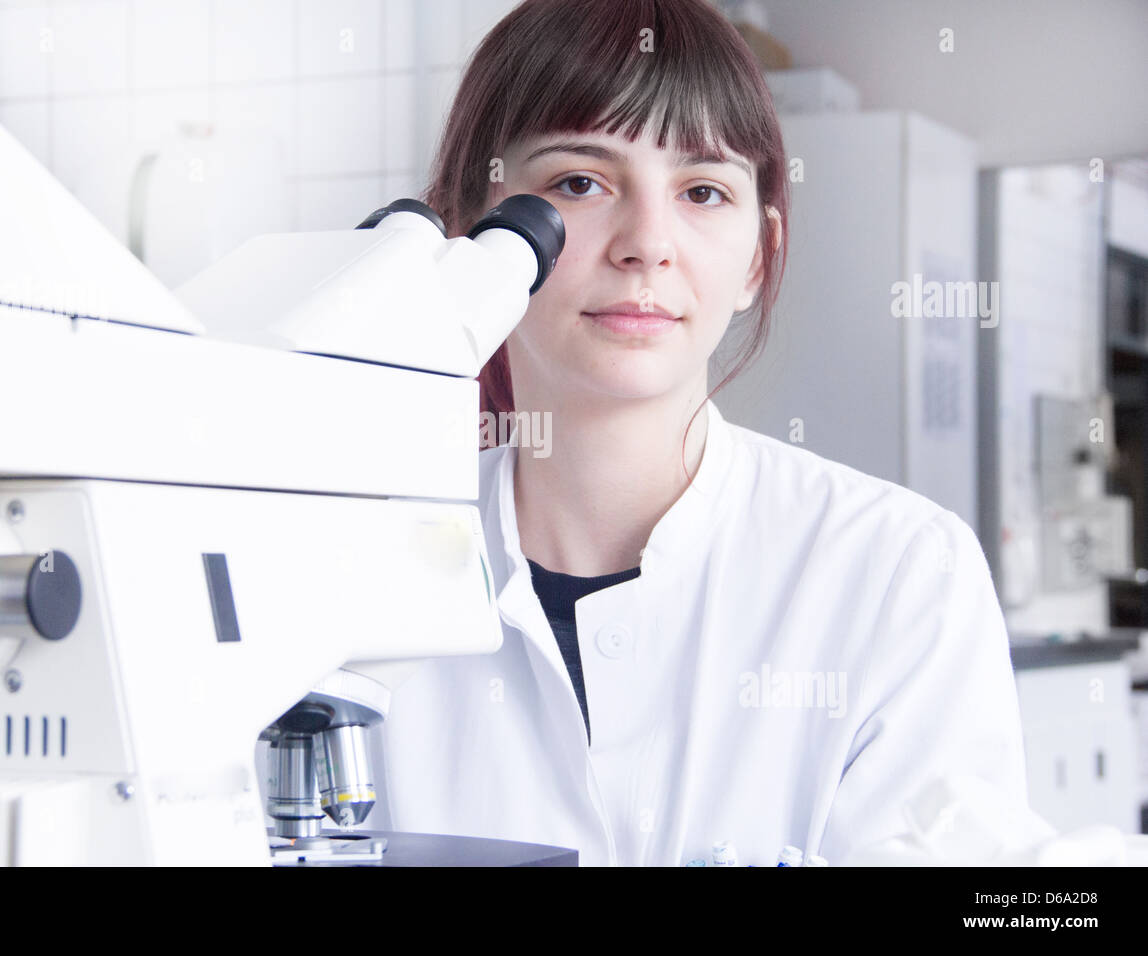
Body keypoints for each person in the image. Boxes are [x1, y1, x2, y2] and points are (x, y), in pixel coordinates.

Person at [359, 0, 1030, 866]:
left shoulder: (900, 575)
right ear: (465, 230)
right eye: (578, 182)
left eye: (703, 192)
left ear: (757, 255)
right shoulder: (361, 562)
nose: (648, 244)